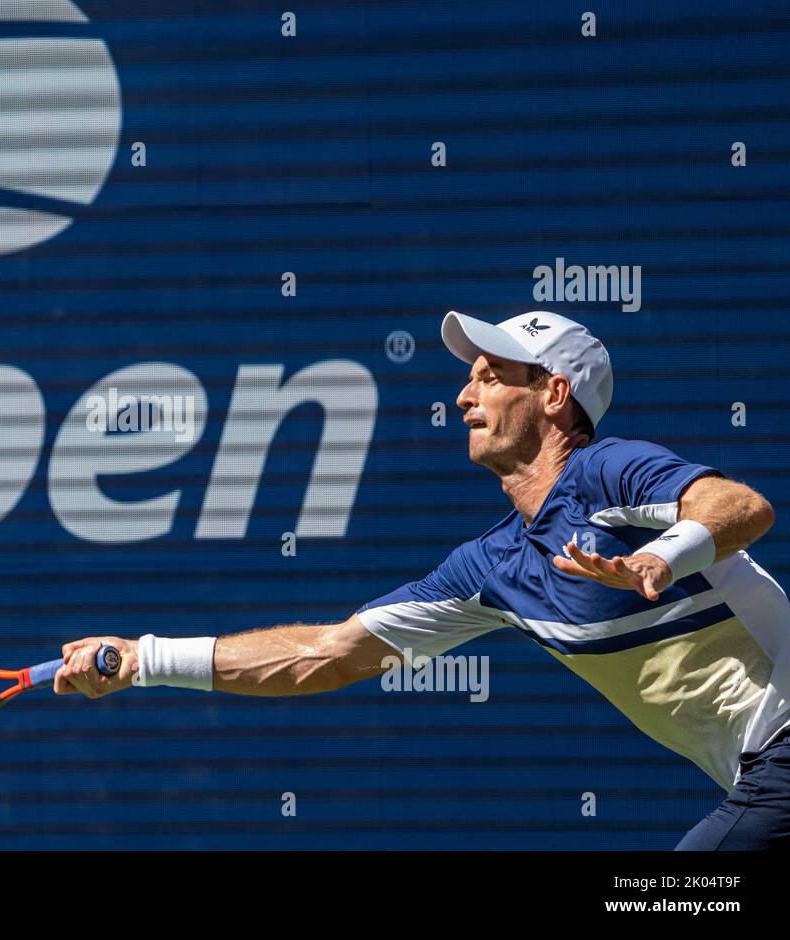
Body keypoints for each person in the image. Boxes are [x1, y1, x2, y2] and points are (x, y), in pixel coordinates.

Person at [53, 310, 790, 850]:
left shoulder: (606, 470)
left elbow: (741, 506)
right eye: (468, 379)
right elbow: (325, 655)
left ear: (555, 395)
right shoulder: (492, 567)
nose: (465, 397)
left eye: (491, 376)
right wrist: (144, 658)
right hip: (757, 773)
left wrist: (660, 557)